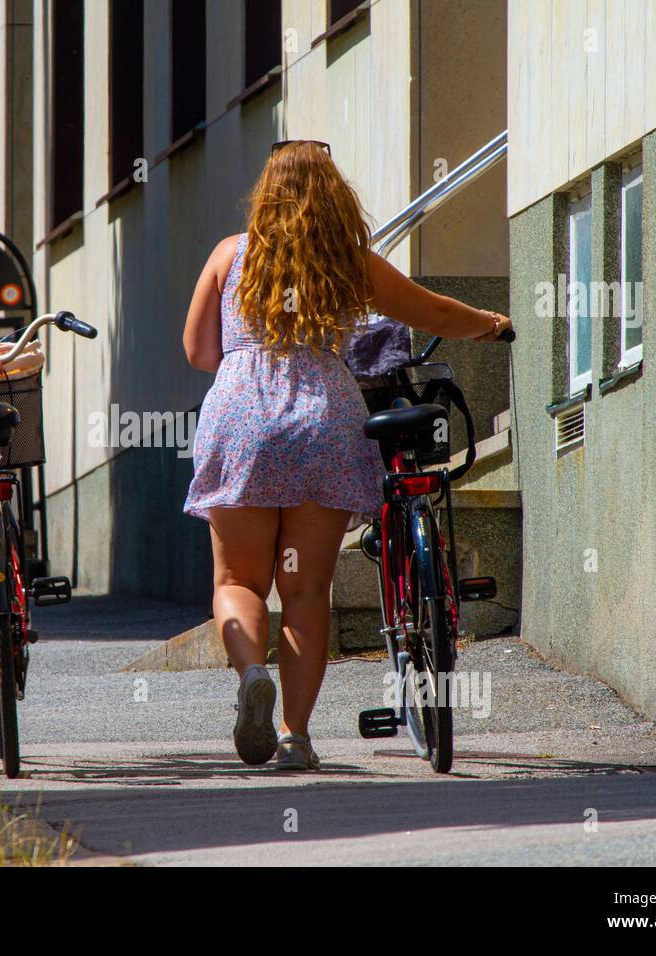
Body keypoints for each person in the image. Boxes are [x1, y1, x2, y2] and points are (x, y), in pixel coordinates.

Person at [182, 140, 512, 771]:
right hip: (323, 419)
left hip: (242, 420)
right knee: (306, 591)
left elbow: (200, 351)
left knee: (237, 582)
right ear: (331, 195)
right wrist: (488, 323)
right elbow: (432, 309)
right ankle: (295, 738)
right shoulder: (346, 263)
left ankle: (253, 673)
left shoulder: (230, 255)